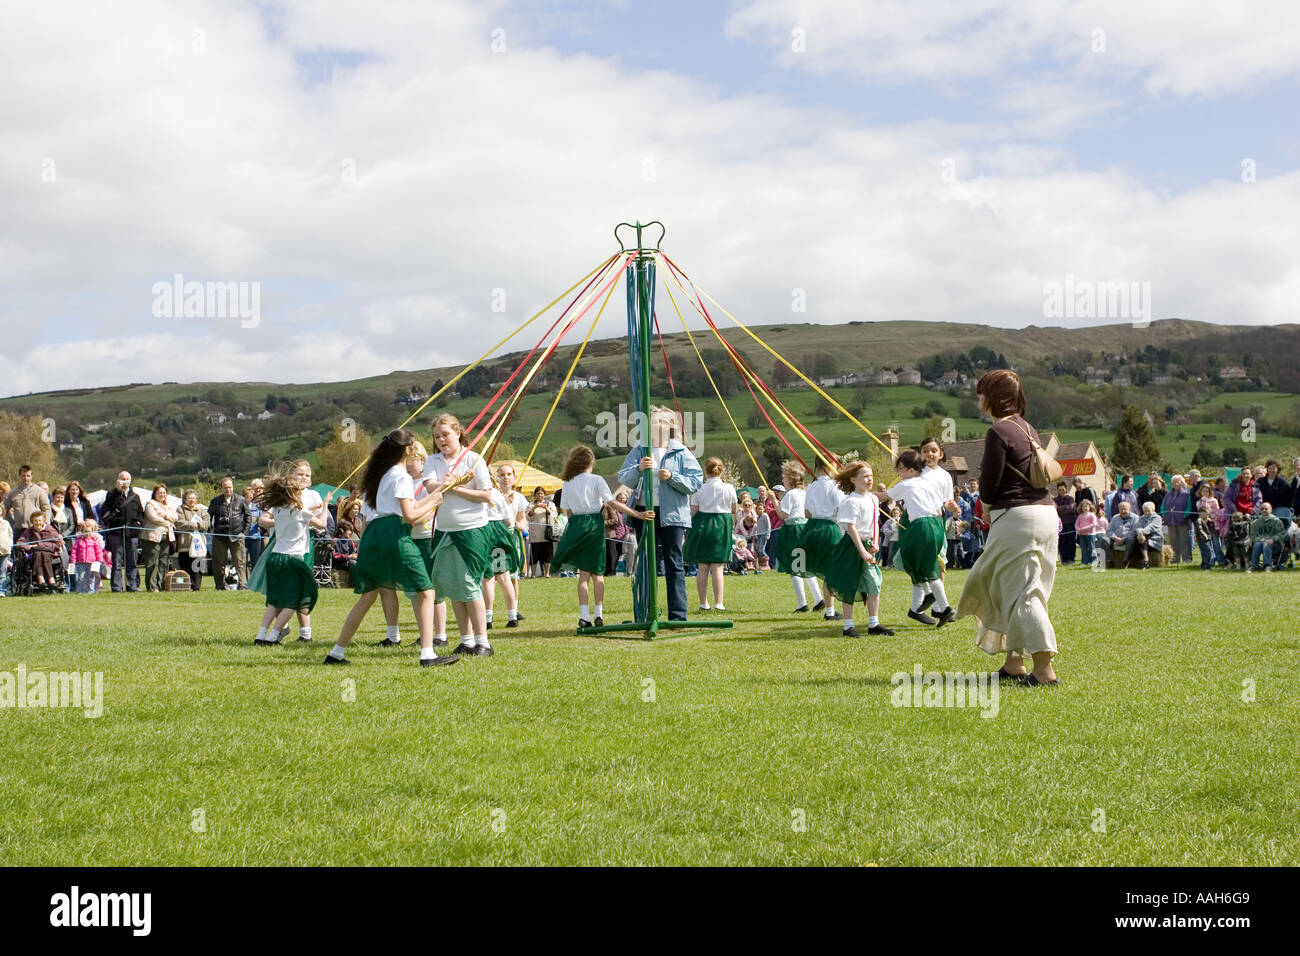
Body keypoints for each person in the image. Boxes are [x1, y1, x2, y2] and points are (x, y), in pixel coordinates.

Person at [956, 369, 1059, 685]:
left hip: (1017, 519)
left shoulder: (998, 432)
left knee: (1023, 592)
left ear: (993, 396)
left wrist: (985, 508)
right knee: (1015, 587)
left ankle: (1044, 672)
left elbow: (989, 485)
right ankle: (1014, 662)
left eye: (982, 392)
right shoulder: (1028, 428)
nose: (979, 398)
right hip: (1043, 515)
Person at [324, 429, 454, 667]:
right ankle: (427, 654)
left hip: (374, 534)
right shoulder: (401, 476)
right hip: (394, 533)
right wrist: (433, 501)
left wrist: (434, 495)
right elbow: (409, 515)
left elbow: (406, 506)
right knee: (427, 592)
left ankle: (336, 653)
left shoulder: (381, 475)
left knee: (367, 597)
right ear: (406, 450)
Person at [617, 405, 703, 622]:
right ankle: (646, 611)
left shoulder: (681, 451)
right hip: (645, 512)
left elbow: (695, 482)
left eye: (659, 420)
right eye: (652, 420)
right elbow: (623, 477)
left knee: (674, 560)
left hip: (672, 513)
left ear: (669, 425)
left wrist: (672, 477)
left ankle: (678, 615)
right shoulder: (639, 450)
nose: (654, 423)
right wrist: (637, 469)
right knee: (646, 561)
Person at [422, 413, 496, 657]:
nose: (441, 440)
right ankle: (466, 641)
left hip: (472, 530)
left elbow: (486, 494)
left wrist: (457, 487)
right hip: (445, 531)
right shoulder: (432, 460)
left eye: (446, 435)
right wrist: (447, 485)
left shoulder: (474, 459)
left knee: (470, 585)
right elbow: (431, 486)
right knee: (453, 586)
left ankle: (483, 642)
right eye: (437, 437)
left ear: (458, 433)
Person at [553, 444, 652, 627]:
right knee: (598, 573)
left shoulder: (567, 482)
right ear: (590, 462)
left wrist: (576, 524)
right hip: (594, 524)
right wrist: (637, 514)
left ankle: (584, 616)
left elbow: (566, 509)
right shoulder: (596, 479)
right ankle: (598, 614)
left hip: (576, 524)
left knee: (583, 575)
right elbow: (612, 502)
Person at [253, 462, 331, 645]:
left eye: (307, 475)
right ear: (290, 477)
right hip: (292, 555)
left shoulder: (290, 502)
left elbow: (297, 516)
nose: (304, 478)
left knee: (279, 596)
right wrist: (323, 507)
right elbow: (320, 523)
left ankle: (299, 633)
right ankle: (275, 634)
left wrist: (287, 520)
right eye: (300, 474)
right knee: (295, 595)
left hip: (283, 552)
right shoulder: (291, 503)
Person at [824, 461, 893, 637]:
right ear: (854, 479)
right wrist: (861, 550)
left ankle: (873, 624)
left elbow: (875, 523)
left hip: (869, 545)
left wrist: (875, 542)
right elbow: (851, 527)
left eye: (871, 476)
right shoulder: (850, 501)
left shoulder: (873, 498)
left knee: (874, 583)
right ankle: (848, 626)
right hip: (851, 546)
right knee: (849, 584)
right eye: (865, 476)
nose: (869, 480)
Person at [885, 449, 954, 627]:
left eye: (900, 469)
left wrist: (863, 494)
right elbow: (939, 510)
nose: (899, 473)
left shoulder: (907, 483)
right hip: (936, 526)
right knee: (921, 563)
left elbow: (885, 496)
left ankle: (943, 605)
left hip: (921, 526)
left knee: (913, 561)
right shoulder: (927, 484)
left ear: (910, 469)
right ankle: (916, 608)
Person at [683, 457, 738, 612]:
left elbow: (692, 512)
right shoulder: (729, 488)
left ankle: (703, 603)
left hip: (702, 524)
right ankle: (719, 603)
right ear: (722, 470)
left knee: (702, 567)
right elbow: (734, 509)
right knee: (718, 567)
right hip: (722, 525)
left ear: (705, 470)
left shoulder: (699, 489)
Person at [801, 456, 847, 624]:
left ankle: (830, 609)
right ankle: (830, 611)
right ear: (831, 465)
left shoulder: (811, 486)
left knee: (826, 570)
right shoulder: (834, 485)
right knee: (831, 571)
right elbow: (841, 508)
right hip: (829, 529)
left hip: (812, 528)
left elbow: (806, 512)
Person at [775, 461, 824, 612]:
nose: (782, 479)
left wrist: (774, 501)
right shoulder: (805, 493)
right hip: (805, 528)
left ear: (791, 479)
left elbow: (783, 515)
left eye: (784, 477)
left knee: (795, 567)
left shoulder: (790, 495)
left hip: (793, 530)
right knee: (805, 565)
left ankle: (802, 604)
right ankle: (818, 599)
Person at [481, 470, 522, 631]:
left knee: (488, 578)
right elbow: (509, 521)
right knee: (505, 578)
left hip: (484, 531)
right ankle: (512, 616)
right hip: (500, 532)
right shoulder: (498, 495)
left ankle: (488, 618)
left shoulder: (477, 495)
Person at [100, 471, 144, 592]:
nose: (125, 480)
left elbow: (140, 513)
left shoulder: (135, 496)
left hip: (132, 533)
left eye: (127, 478)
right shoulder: (111, 494)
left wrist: (138, 523)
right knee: (117, 562)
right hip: (116, 533)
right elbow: (105, 510)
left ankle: (132, 586)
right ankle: (116, 587)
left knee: (132, 561)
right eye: (122, 478)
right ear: (118, 480)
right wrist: (117, 492)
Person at [208, 476, 251, 590]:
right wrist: (211, 531)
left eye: (230, 487)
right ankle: (220, 586)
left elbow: (248, 517)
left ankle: (242, 585)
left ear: (233, 487)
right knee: (218, 563)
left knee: (240, 562)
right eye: (226, 487)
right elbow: (208, 517)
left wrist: (244, 533)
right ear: (222, 488)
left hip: (237, 536)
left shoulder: (241, 500)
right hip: (220, 537)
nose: (228, 490)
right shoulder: (215, 501)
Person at [139, 483, 177, 591]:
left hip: (167, 537)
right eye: (159, 492)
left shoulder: (168, 506)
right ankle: (152, 587)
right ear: (155, 493)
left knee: (164, 562)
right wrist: (168, 523)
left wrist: (165, 515)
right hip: (152, 537)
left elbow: (175, 517)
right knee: (153, 562)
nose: (162, 495)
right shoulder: (150, 504)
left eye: (164, 493)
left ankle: (162, 585)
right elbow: (153, 518)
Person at [173, 490, 210, 591]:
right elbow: (179, 523)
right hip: (185, 545)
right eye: (189, 498)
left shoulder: (201, 510)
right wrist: (193, 525)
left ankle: (197, 586)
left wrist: (198, 525)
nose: (192, 500)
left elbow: (207, 523)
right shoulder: (180, 509)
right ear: (184, 499)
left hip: (199, 547)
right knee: (186, 567)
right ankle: (186, 586)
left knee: (198, 568)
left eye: (193, 498)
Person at [15, 511, 63, 590]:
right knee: (38, 553)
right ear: (32, 522)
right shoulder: (29, 531)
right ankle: (47, 580)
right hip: (34, 554)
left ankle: (45, 579)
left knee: (43, 553)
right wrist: (30, 546)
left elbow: (58, 544)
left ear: (43, 521)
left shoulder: (51, 530)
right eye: (35, 521)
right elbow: (19, 543)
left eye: (40, 520)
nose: (38, 523)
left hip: (50, 554)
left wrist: (39, 545)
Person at [4, 465, 51, 532]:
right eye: (23, 476)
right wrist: (10, 523)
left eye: (28, 476)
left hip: (35, 529)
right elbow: (4, 509)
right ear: (19, 476)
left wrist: (45, 524)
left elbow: (46, 509)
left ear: (31, 477)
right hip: (18, 529)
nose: (26, 478)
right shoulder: (13, 493)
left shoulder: (39, 491)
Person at [1161, 474, 1194, 565]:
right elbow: (1163, 506)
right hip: (1170, 521)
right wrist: (1165, 515)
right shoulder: (1168, 494)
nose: (1176, 483)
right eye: (1174, 482)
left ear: (1182, 482)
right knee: (1173, 540)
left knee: (1184, 540)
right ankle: (1174, 558)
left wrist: (1183, 516)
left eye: (1178, 481)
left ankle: (1187, 558)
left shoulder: (1186, 494)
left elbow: (1189, 507)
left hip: (1182, 521)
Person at [70, 519, 110, 593]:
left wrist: (99, 561)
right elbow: (74, 551)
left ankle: (91, 591)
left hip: (92, 563)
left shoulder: (94, 541)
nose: (87, 533)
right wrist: (73, 561)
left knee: (91, 578)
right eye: (85, 531)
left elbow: (98, 552)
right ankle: (80, 591)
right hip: (81, 562)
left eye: (89, 531)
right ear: (82, 532)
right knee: (81, 578)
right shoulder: (79, 541)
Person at [527, 486, 557, 578]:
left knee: (547, 554)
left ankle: (547, 573)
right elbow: (528, 517)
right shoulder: (530, 504)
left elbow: (554, 516)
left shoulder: (550, 504)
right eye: (537, 494)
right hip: (535, 534)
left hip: (546, 533)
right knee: (535, 554)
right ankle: (533, 574)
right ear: (534, 495)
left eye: (541, 494)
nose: (540, 495)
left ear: (544, 494)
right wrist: (534, 508)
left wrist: (546, 509)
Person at [1247, 503, 1285, 573]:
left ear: (1271, 510)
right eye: (1262, 509)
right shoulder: (1256, 522)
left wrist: (1273, 539)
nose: (1264, 510)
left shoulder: (1277, 521)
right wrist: (1260, 539)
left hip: (1275, 544)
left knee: (1266, 543)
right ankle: (1254, 566)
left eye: (1266, 509)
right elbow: (1253, 535)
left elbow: (1281, 534)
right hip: (1260, 543)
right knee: (1257, 544)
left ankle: (1267, 566)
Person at [1195, 483, 1224, 569]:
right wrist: (1204, 501)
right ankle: (1210, 561)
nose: (1205, 493)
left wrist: (1210, 517)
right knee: (1208, 544)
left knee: (1216, 543)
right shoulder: (1199, 502)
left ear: (1210, 492)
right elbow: (1202, 511)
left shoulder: (1214, 500)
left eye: (1207, 491)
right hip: (1204, 526)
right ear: (1200, 492)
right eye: (1203, 491)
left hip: (1213, 524)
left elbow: (1216, 512)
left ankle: (1221, 560)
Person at [1107, 500, 1139, 566]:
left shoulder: (1135, 518)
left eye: (1125, 509)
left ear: (1129, 509)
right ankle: (1109, 561)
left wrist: (1123, 539)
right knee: (1104, 539)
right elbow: (1108, 530)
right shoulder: (1115, 517)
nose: (1123, 511)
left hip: (1128, 538)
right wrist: (1115, 538)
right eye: (1121, 509)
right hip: (1116, 538)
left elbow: (1134, 531)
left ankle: (1125, 561)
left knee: (1131, 539)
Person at [1134, 501, 1165, 569]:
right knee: (1138, 540)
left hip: (1155, 539)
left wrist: (1141, 533)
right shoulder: (1141, 518)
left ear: (1153, 510)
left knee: (1141, 540)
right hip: (1143, 538)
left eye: (1148, 511)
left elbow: (1151, 527)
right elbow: (1138, 527)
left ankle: (1145, 560)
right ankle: (1144, 560)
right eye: (1145, 511)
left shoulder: (1157, 518)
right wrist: (1140, 533)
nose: (1147, 513)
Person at [1053, 481, 1077, 564]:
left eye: (1063, 489)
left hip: (1070, 524)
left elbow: (1071, 508)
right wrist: (1065, 508)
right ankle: (1064, 560)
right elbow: (1054, 509)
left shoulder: (1070, 498)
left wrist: (1060, 509)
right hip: (1060, 525)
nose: (1061, 491)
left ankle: (1071, 559)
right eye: (1060, 490)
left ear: (1066, 489)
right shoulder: (1055, 500)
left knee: (1071, 542)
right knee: (1062, 543)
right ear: (1057, 490)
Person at [244, 479, 266, 572]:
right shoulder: (241, 506)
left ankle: (254, 581)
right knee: (243, 561)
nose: (250, 498)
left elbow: (261, 519)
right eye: (247, 496)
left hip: (256, 536)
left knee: (256, 561)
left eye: (251, 496)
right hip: (244, 537)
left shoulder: (257, 507)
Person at [1074, 499, 1101, 567]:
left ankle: (1093, 561)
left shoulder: (1092, 515)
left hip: (1090, 534)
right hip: (1082, 535)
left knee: (1092, 548)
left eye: (1087, 506)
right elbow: (1076, 524)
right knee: (1083, 548)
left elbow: (1094, 524)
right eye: (1083, 507)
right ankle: (1084, 562)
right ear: (1081, 508)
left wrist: (1084, 529)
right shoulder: (1080, 516)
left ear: (1090, 507)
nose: (1085, 508)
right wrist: (1078, 529)